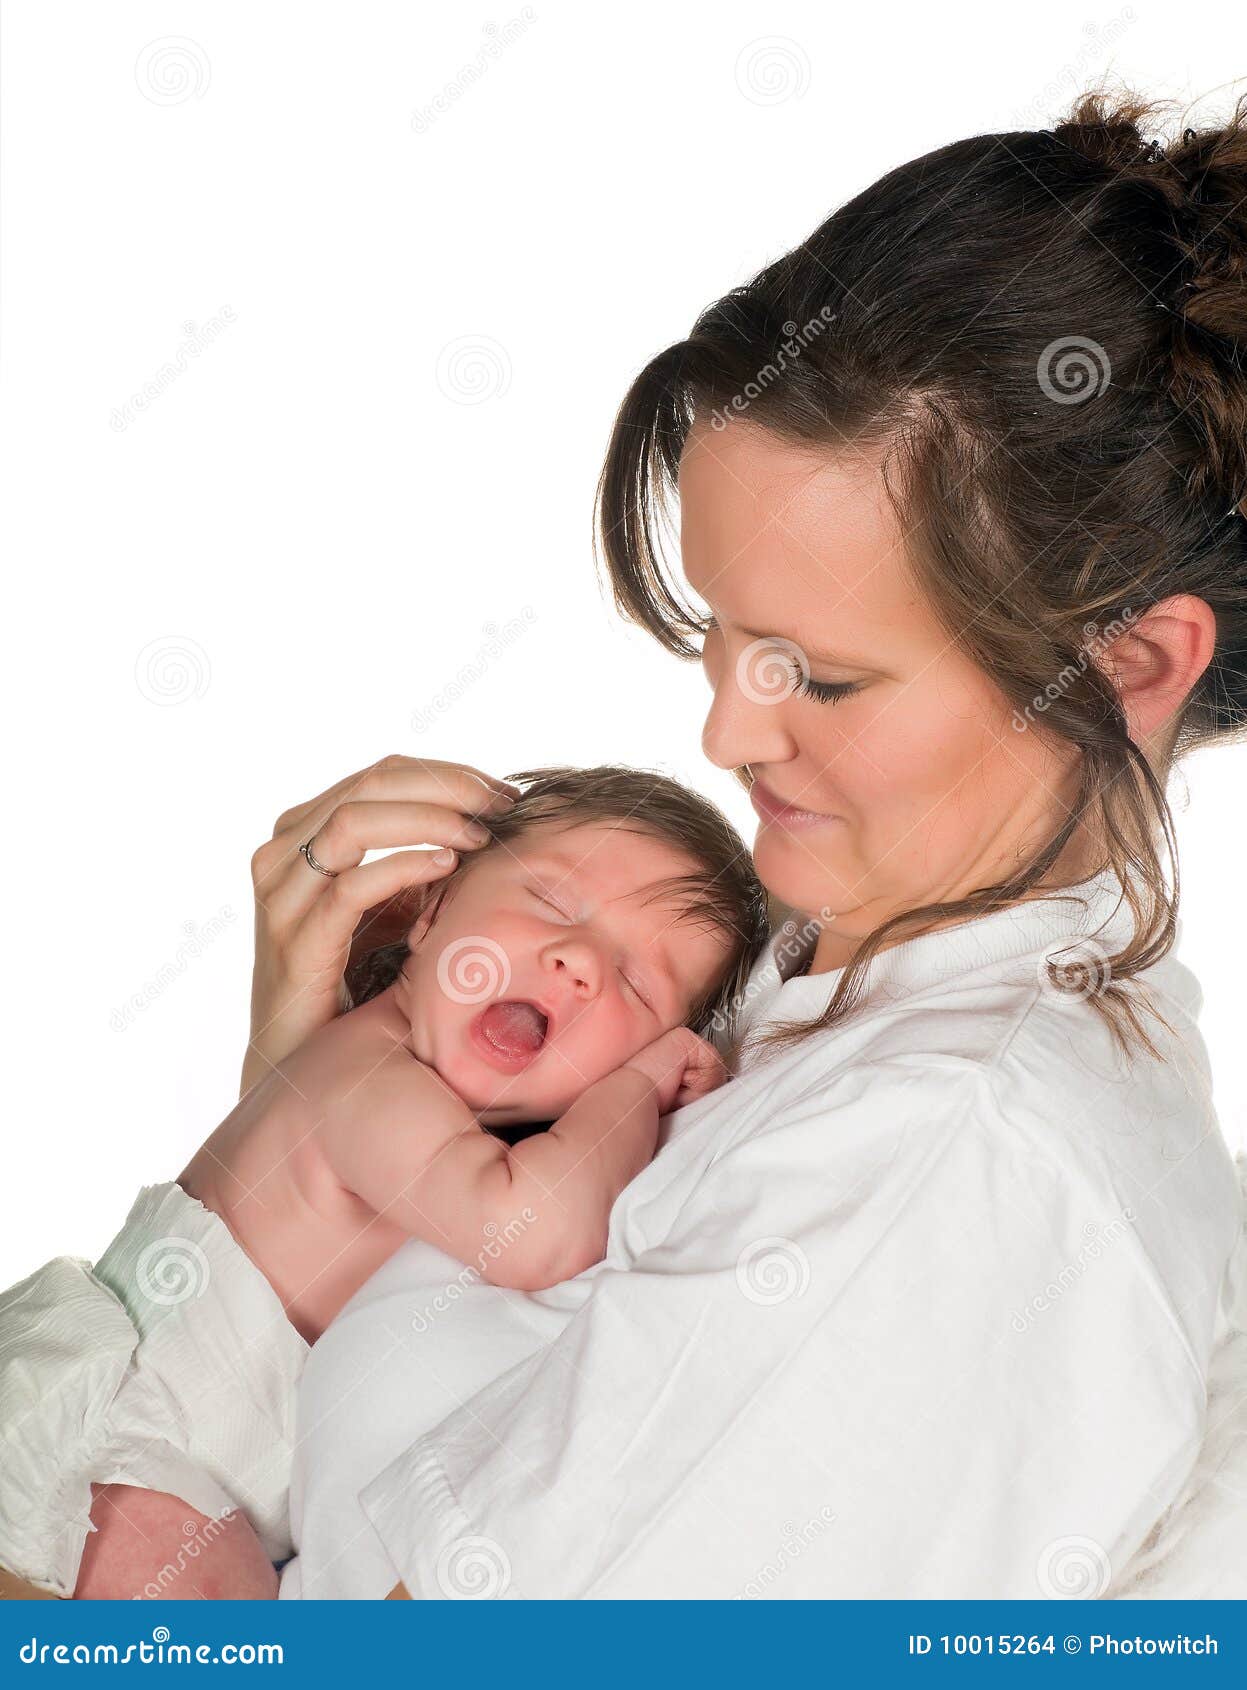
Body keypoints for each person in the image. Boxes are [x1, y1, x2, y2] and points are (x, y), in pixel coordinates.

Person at [3, 84, 1246, 1600]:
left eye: (824, 675)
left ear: (1124, 669)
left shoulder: (945, 1169)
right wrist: (308, 1112)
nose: (723, 736)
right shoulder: (802, 984)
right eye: (720, 637)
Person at [0, 768, 769, 1599]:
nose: (579, 961)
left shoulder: (439, 1109)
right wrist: (636, 1090)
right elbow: (533, 1229)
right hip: (117, 1454)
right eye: (550, 902)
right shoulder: (367, 1075)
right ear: (428, 912)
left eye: (637, 985)